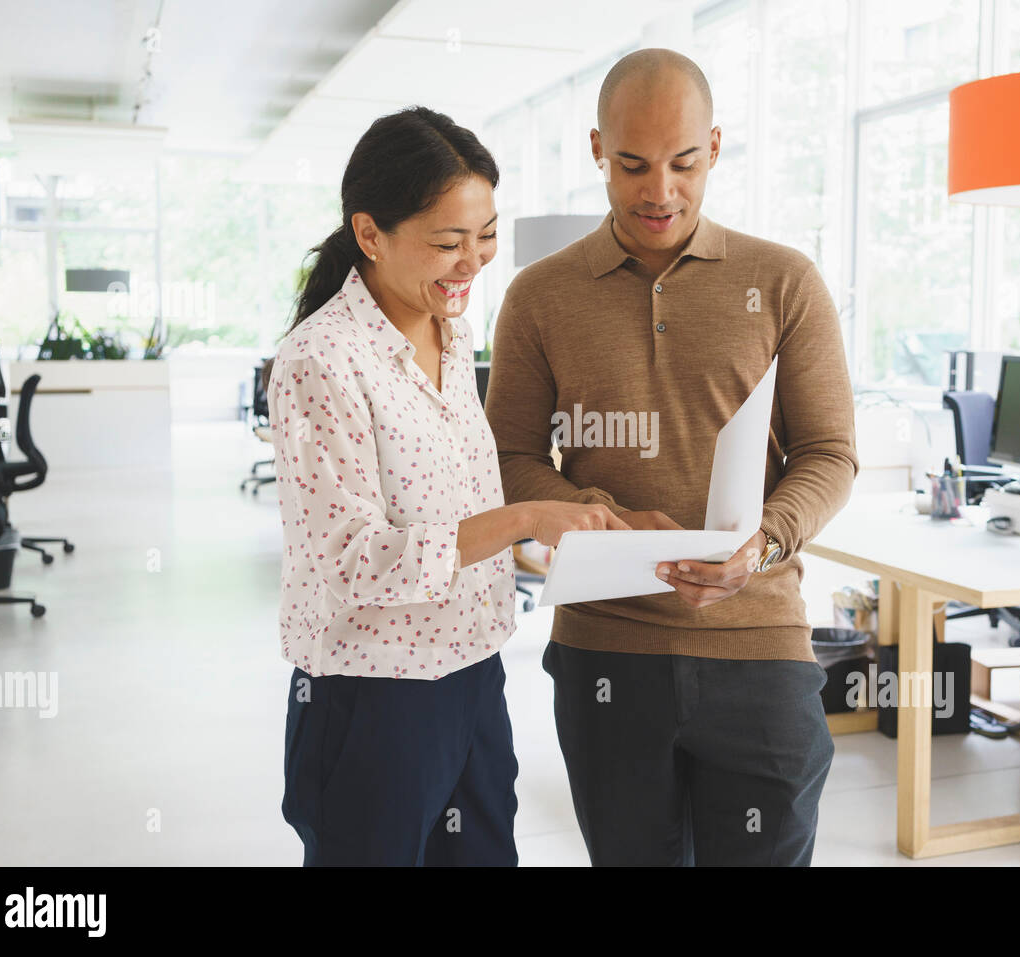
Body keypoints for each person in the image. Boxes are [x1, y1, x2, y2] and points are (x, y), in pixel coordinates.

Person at [485, 50, 859, 866]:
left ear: (716, 148)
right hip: (605, 653)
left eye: (685, 162)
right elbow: (509, 456)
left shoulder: (786, 281)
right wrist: (602, 518)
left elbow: (830, 454)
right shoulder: (539, 296)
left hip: (759, 648)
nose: (660, 190)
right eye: (632, 164)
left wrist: (759, 543)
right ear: (596, 150)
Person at [269, 106, 628, 867]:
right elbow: (353, 561)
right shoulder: (319, 362)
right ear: (370, 234)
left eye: (486, 235)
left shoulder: (452, 329)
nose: (473, 261)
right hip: (372, 694)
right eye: (448, 242)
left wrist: (577, 522)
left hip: (472, 671)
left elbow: (452, 498)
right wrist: (524, 517)